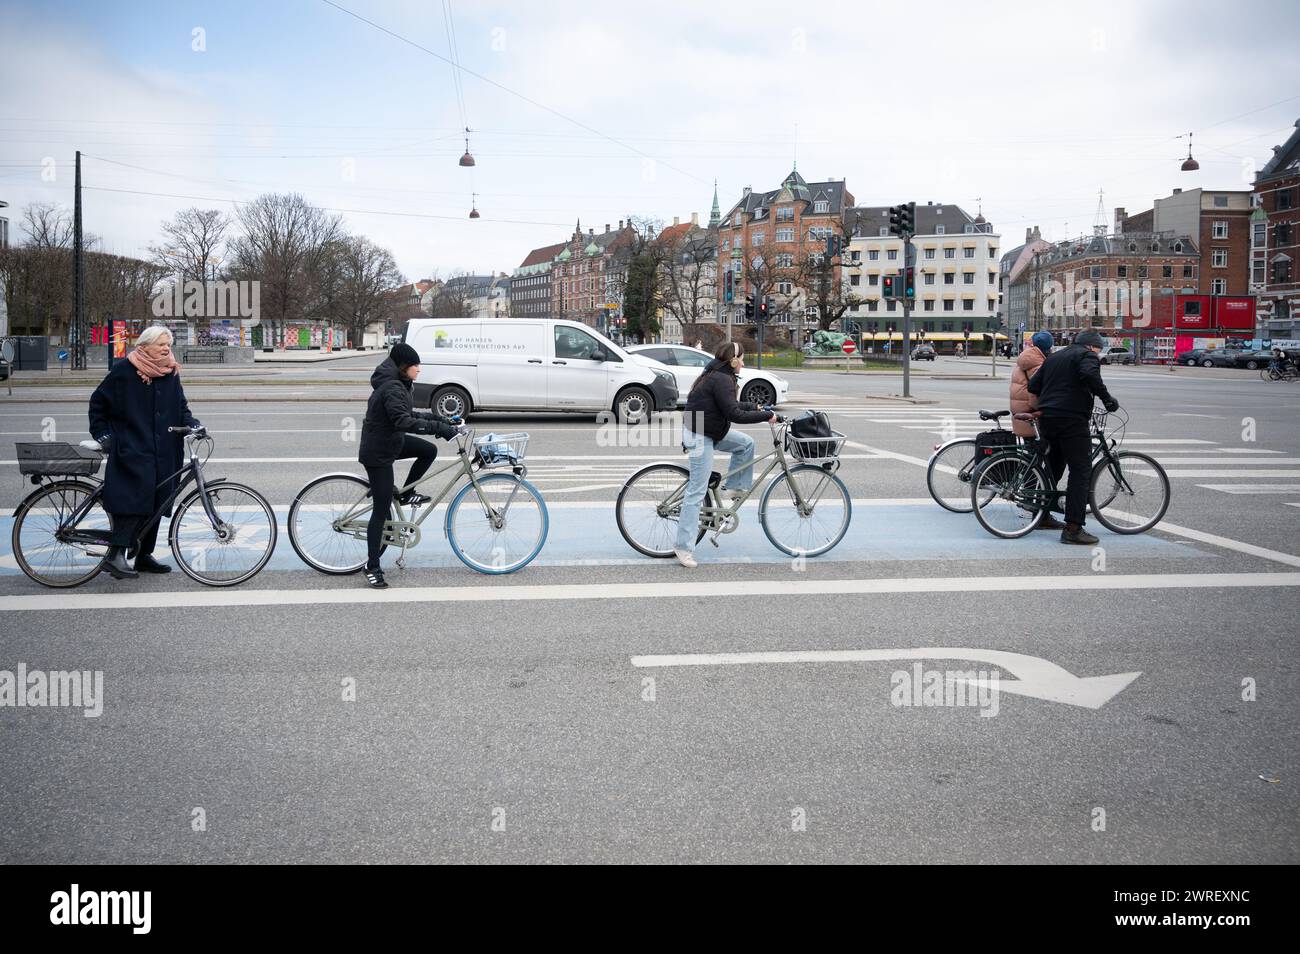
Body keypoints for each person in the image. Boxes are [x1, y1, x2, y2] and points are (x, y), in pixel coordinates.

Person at [88, 326, 199, 579]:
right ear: (145, 345)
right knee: (134, 501)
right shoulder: (124, 370)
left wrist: (192, 423)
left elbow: (180, 406)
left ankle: (143, 555)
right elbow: (98, 403)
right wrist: (103, 434)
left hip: (165, 450)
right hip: (133, 448)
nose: (165, 348)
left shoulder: (170, 371)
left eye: (168, 343)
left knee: (159, 501)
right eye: (160, 343)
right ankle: (115, 556)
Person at [358, 343, 459, 588]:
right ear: (404, 366)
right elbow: (404, 421)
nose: (419, 369)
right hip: (378, 452)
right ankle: (372, 566)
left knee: (428, 450)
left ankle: (407, 493)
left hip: (390, 442)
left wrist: (440, 419)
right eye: (416, 365)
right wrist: (439, 429)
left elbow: (409, 412)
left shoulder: (398, 383)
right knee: (381, 510)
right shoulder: (392, 386)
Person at [673, 341, 776, 568]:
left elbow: (731, 404)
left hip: (708, 428)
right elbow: (733, 413)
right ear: (732, 360)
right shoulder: (721, 378)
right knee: (697, 492)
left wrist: (757, 408)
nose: (743, 362)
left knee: (746, 444)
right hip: (699, 434)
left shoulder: (717, 374)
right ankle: (683, 547)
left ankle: (734, 488)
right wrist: (764, 417)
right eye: (741, 358)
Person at [1027, 328, 1119, 545]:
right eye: (1098, 349)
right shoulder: (1086, 356)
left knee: (1053, 469)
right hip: (1071, 419)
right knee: (1080, 471)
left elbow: (1033, 385)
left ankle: (1040, 516)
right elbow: (1089, 375)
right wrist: (1107, 399)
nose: (1097, 353)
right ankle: (1073, 529)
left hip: (1048, 418)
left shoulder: (1054, 356)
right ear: (1091, 346)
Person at [1009, 331, 1064, 531]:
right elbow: (1036, 393)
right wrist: (1047, 409)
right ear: (1048, 347)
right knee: (1044, 464)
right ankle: (1035, 504)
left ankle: (1031, 499)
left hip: (1021, 416)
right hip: (1032, 418)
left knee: (1035, 460)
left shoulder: (1026, 358)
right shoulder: (1036, 363)